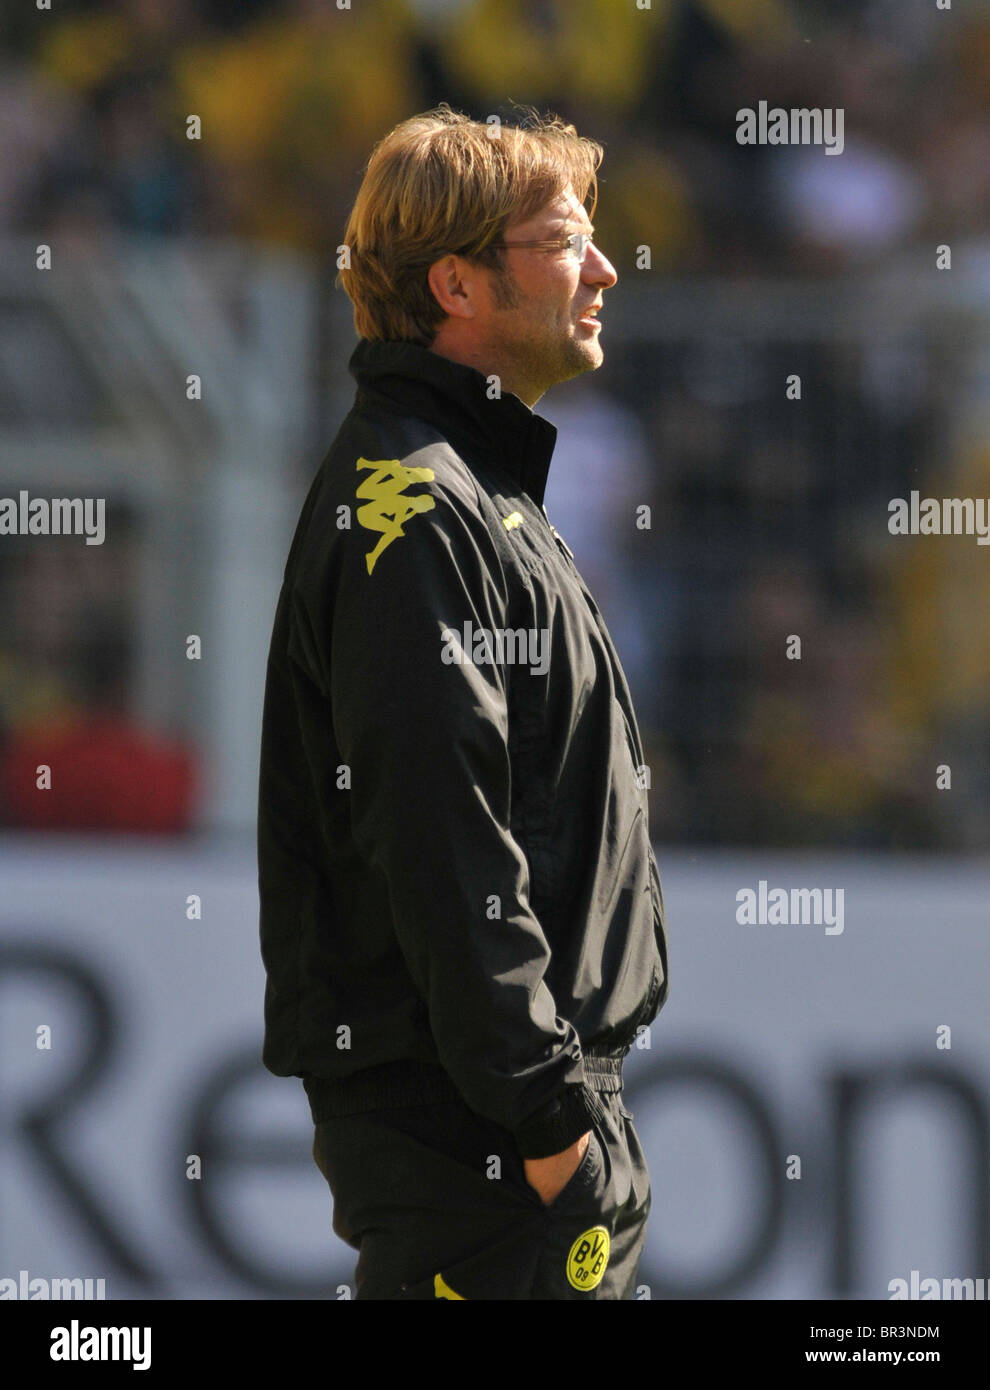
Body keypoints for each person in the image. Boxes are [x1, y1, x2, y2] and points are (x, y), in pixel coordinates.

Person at [257, 103, 669, 1300]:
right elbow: (441, 835)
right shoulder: (420, 507)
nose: (603, 269)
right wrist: (546, 1123)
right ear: (459, 283)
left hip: (513, 1125)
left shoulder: (470, 489)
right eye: (563, 241)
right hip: (490, 1144)